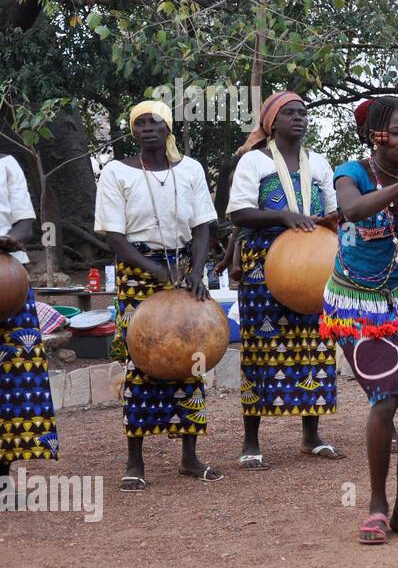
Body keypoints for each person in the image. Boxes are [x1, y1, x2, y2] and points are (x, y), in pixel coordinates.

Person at [321, 96, 398, 544]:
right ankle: (375, 506)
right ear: (373, 136)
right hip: (354, 302)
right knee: (386, 398)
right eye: (397, 132)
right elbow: (352, 211)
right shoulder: (349, 172)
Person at [94, 100, 220, 490]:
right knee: (141, 363)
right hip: (138, 272)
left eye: (156, 122)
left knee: (191, 359)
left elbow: (203, 227)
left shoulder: (191, 170)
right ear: (133, 131)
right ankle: (135, 462)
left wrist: (197, 273)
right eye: (140, 123)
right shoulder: (116, 172)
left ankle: (190, 457)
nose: (148, 128)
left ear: (169, 129)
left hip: (184, 271)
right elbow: (115, 236)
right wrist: (156, 271)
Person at [226, 91, 342, 468]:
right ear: (271, 123)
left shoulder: (319, 164)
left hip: (312, 263)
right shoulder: (252, 162)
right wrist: (284, 217)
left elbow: (329, 213)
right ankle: (251, 440)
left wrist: (330, 221)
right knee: (261, 348)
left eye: (303, 113)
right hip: (264, 262)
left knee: (315, 346)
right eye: (289, 113)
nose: (299, 119)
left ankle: (311, 435)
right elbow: (239, 213)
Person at [0, 153, 58, 471]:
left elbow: (25, 225)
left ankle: (2, 480)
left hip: (9, 282)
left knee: (13, 379)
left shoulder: (7, 164)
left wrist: (12, 240)